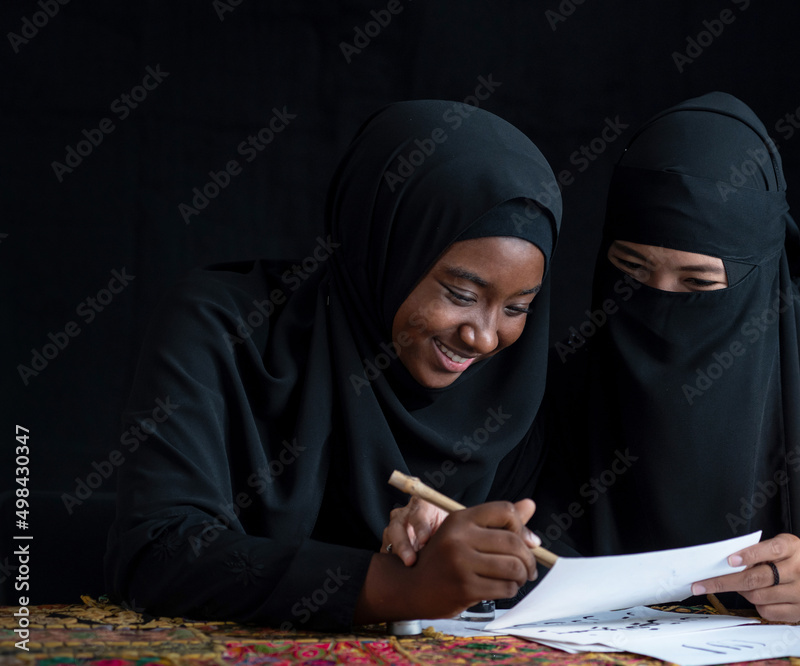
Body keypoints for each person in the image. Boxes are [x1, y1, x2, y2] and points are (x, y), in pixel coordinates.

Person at [104, 100, 562, 630]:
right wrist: (399, 586)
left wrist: (480, 560)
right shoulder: (223, 329)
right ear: (383, 247)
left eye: (517, 308)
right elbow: (157, 554)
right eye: (460, 293)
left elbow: (557, 564)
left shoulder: (514, 387)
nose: (482, 337)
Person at [534, 91, 800, 622]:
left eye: (698, 282)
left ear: (761, 269)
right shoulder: (579, 371)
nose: (659, 300)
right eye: (631, 270)